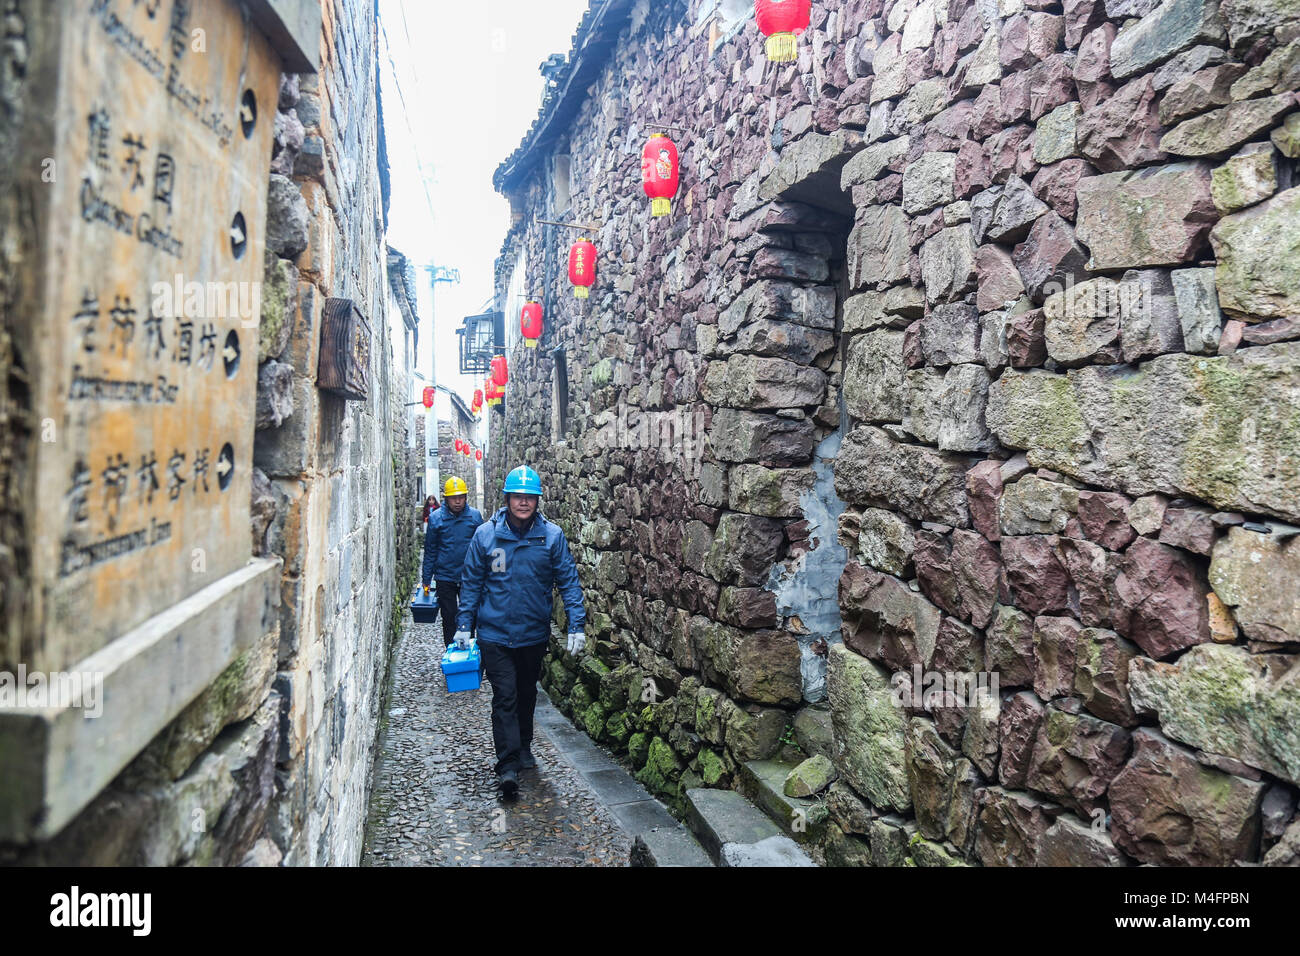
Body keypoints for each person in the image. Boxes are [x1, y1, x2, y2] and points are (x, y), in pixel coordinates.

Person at [454, 465, 585, 798]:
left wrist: (577, 624)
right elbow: (470, 583)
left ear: (537, 500)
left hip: (532, 634)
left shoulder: (552, 537)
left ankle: (524, 746)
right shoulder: (486, 535)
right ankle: (508, 766)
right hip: (495, 634)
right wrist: (464, 625)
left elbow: (568, 581)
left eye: (529, 497)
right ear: (508, 498)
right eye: (518, 497)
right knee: (505, 696)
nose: (523, 503)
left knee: (527, 694)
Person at [421, 478, 483, 649]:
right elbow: (430, 550)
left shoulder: (475, 517)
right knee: (449, 618)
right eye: (453, 497)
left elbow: (483, 548)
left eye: (461, 497)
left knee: (470, 615)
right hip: (445, 577)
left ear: (466, 497)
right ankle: (451, 651)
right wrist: (426, 579)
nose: (457, 501)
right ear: (446, 499)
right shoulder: (435, 519)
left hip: (469, 577)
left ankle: (468, 652)